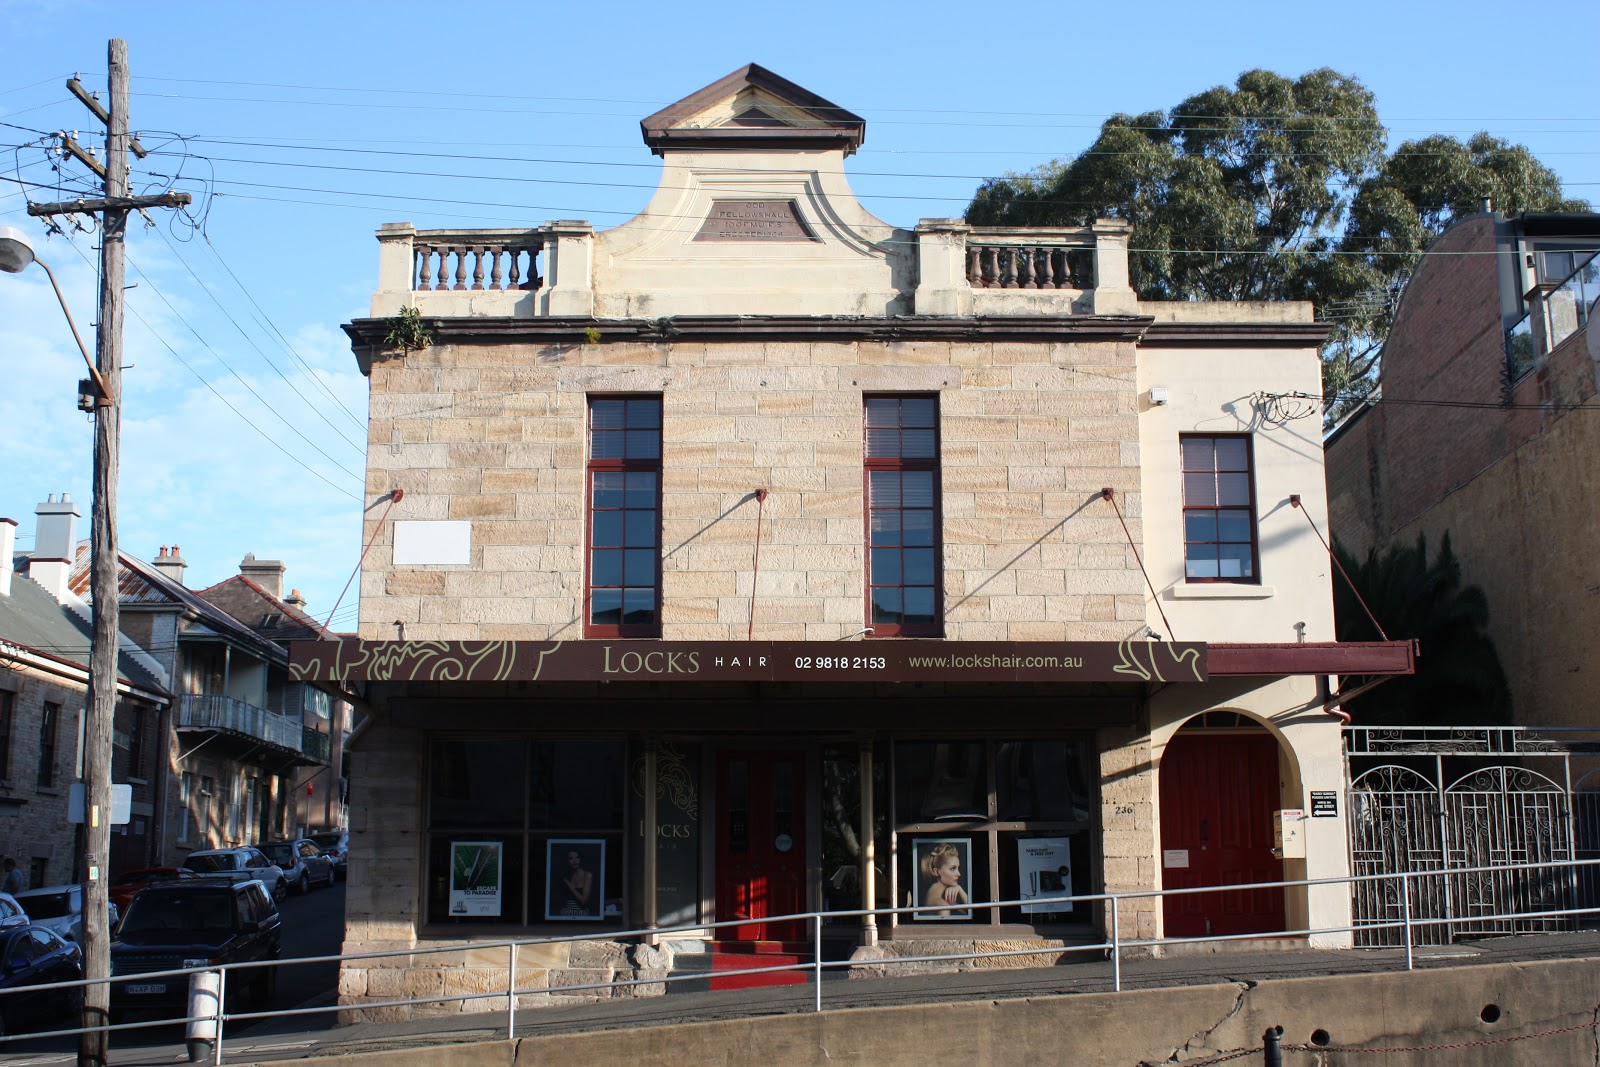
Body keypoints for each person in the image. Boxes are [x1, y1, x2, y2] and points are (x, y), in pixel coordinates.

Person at [920, 843, 968, 916]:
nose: (959, 874)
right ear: (936, 872)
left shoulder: (935, 898)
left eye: (958, 868)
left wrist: (960, 889)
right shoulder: (943, 907)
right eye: (952, 869)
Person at [557, 849, 594, 917]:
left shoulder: (587, 875)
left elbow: (584, 901)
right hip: (566, 913)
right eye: (571, 858)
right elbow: (561, 899)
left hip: (581, 913)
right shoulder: (566, 875)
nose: (574, 861)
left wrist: (569, 884)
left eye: (577, 857)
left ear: (581, 858)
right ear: (567, 861)